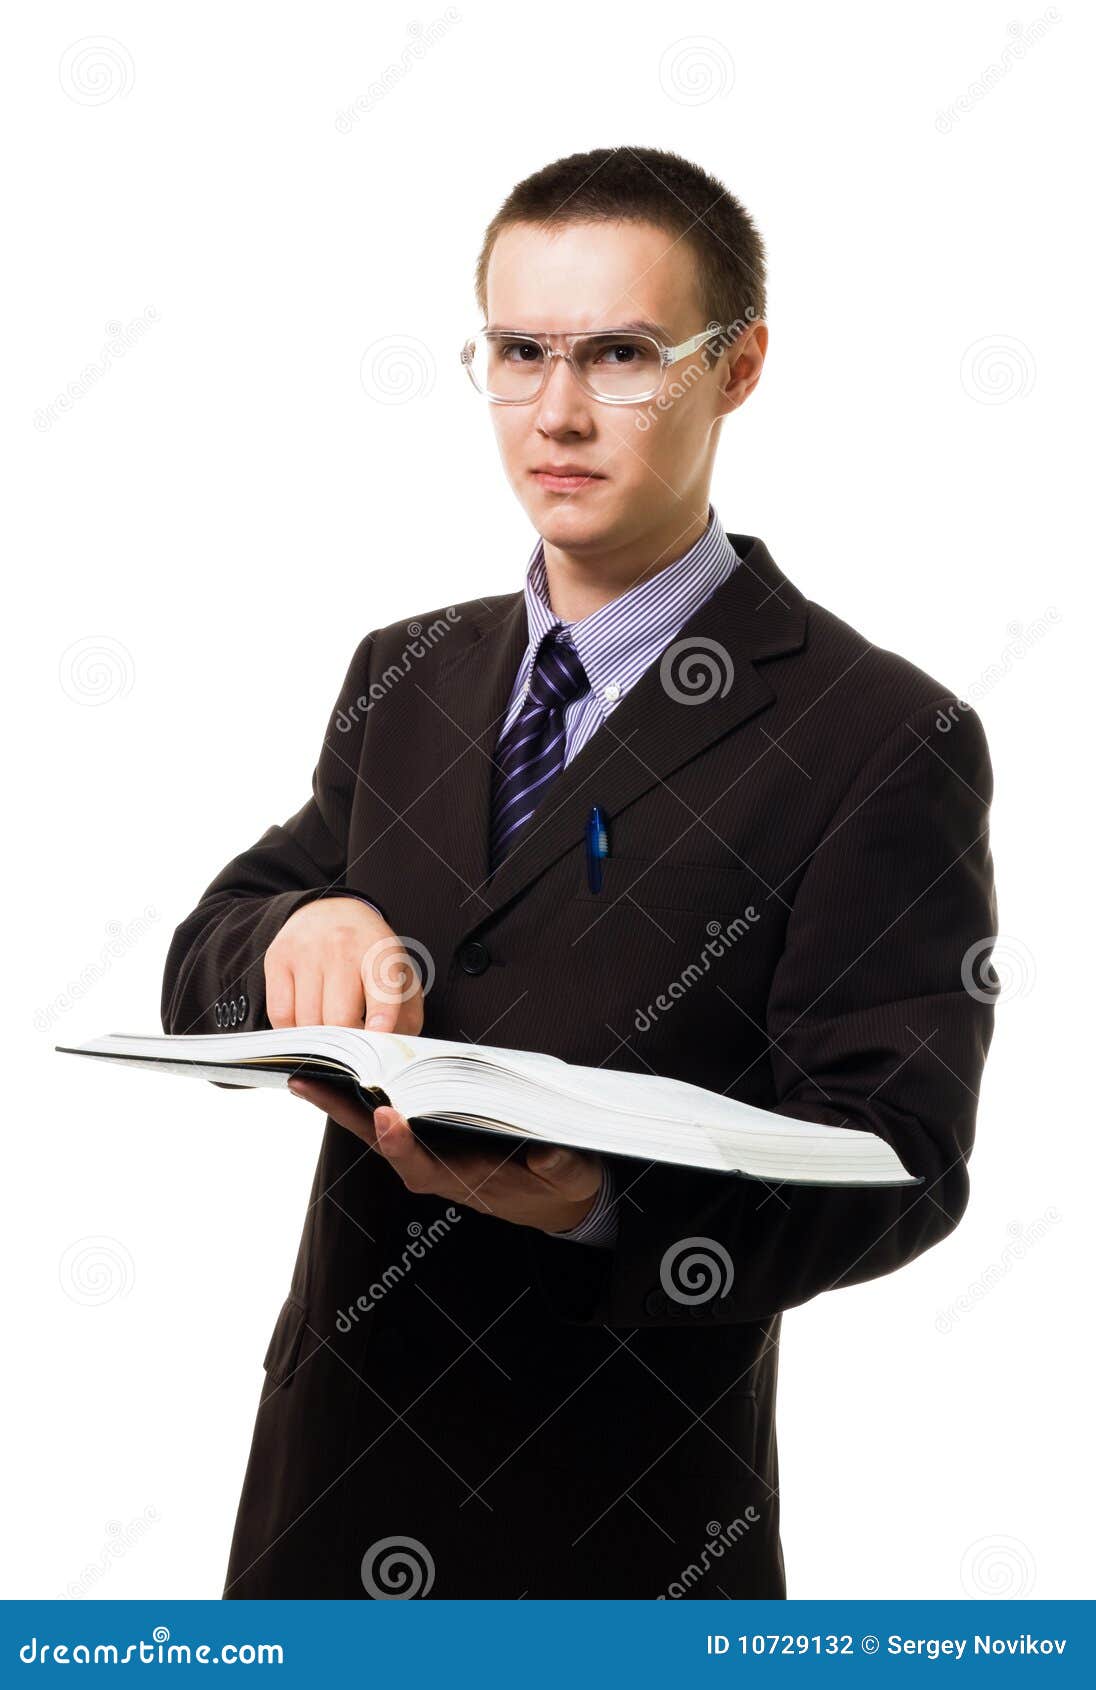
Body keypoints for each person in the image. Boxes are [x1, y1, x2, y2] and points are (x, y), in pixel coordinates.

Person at [161, 145, 998, 1599]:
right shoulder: (408, 670)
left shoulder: (880, 733)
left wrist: (610, 1204)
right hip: (326, 1493)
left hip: (622, 1531)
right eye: (520, 351)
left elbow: (900, 1160)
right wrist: (308, 920)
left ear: (734, 369)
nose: (555, 411)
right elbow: (210, 948)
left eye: (619, 355)